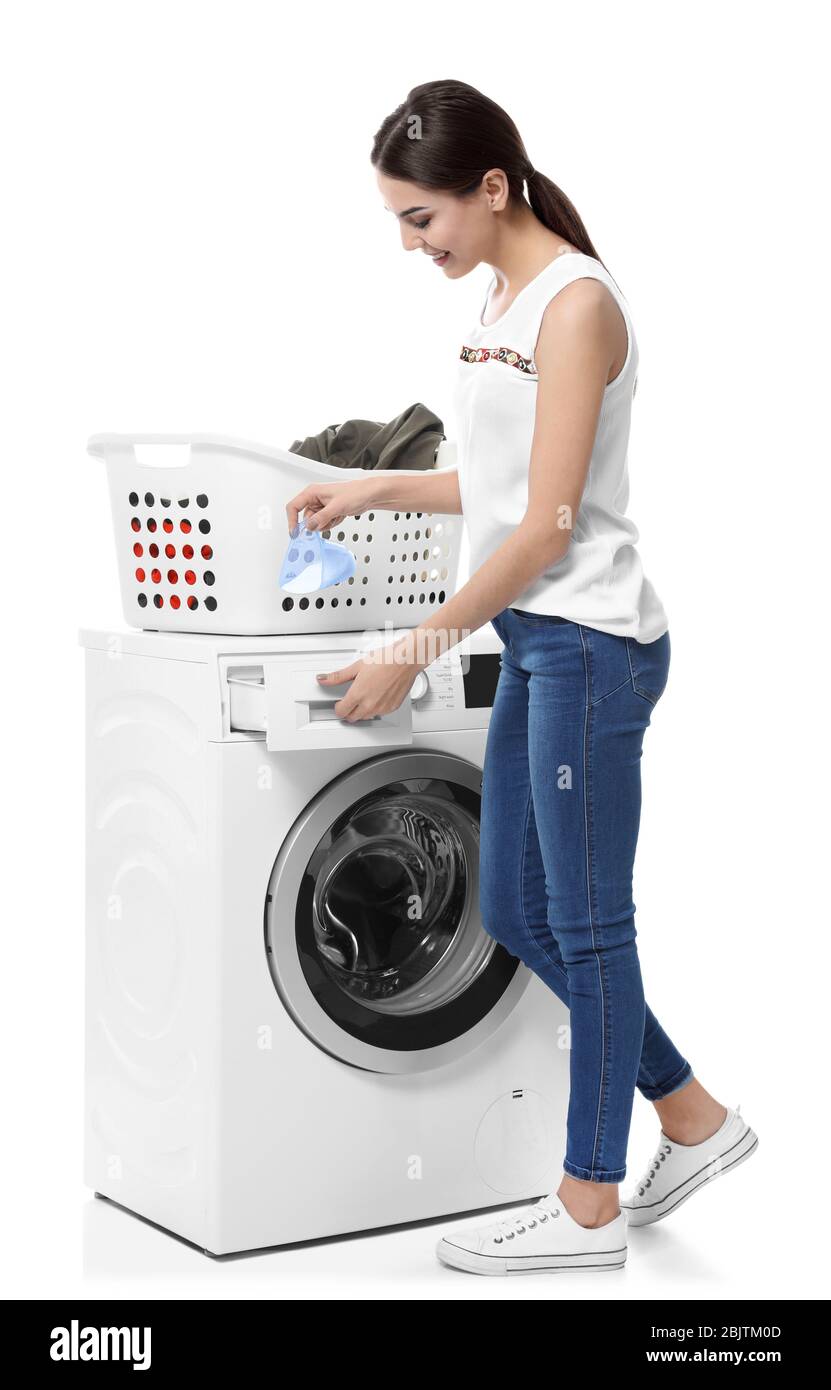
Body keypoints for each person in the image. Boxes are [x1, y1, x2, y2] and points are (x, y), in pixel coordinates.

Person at [285, 79, 758, 1277]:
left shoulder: (577, 304)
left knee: (589, 927)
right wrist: (373, 487)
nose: (411, 244)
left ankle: (588, 1204)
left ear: (491, 188)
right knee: (513, 908)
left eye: (421, 218)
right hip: (536, 642)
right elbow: (504, 488)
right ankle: (694, 1115)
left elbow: (546, 530)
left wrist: (414, 648)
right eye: (400, 220)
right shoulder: (500, 294)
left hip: (591, 643)